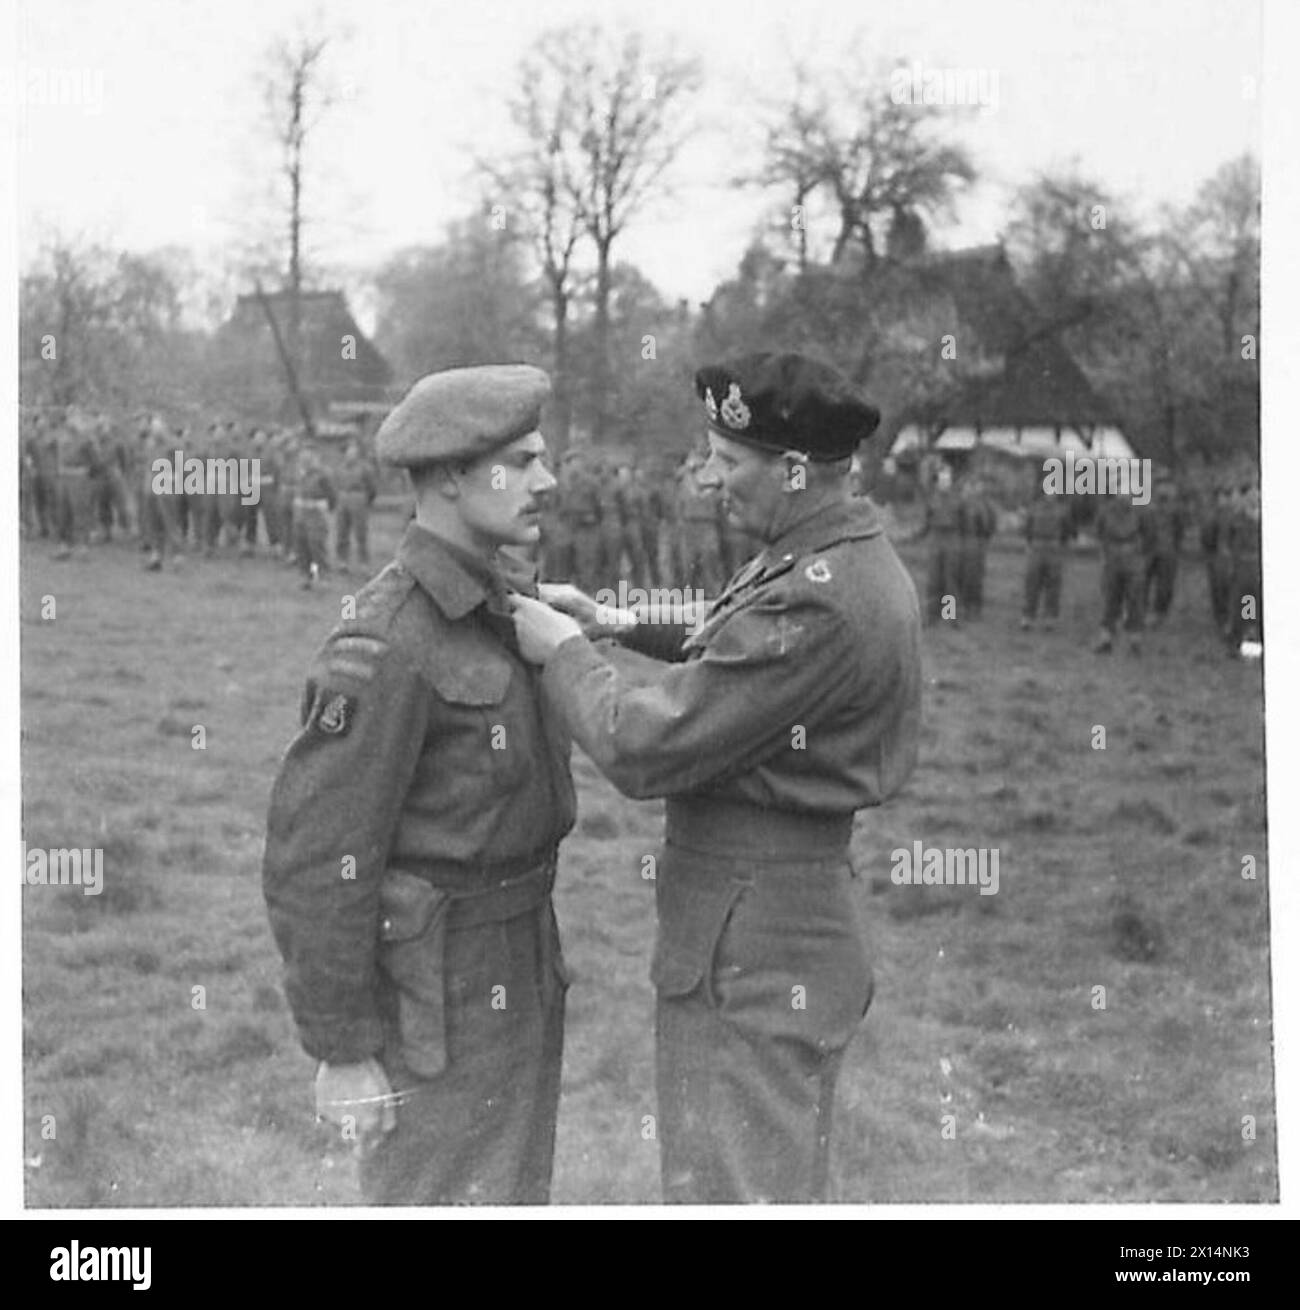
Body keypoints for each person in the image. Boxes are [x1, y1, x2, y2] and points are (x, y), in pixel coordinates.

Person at [510, 351, 922, 1204]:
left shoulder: (819, 594)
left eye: (728, 462)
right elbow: (736, 635)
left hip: (755, 939)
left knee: (731, 1193)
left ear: (798, 470)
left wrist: (565, 653)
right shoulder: (822, 555)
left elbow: (643, 747)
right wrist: (622, 621)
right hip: (773, 922)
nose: (706, 480)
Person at [262, 363, 575, 1206]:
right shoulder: (389, 640)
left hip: (522, 962)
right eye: (521, 461)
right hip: (435, 997)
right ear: (446, 478)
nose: (546, 481)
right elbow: (316, 852)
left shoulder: (502, 605)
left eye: (544, 458)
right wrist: (342, 1047)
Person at [1020, 482, 1073, 630]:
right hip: (1036, 546)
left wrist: (1061, 547)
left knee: (1053, 583)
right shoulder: (1034, 508)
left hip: (1054, 547)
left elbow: (1067, 531)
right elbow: (1027, 529)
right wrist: (1029, 545)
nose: (1051, 494)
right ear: (1043, 492)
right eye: (1049, 490)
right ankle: (1028, 617)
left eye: (1054, 490)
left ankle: (1050, 617)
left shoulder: (1063, 510)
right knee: (1032, 583)